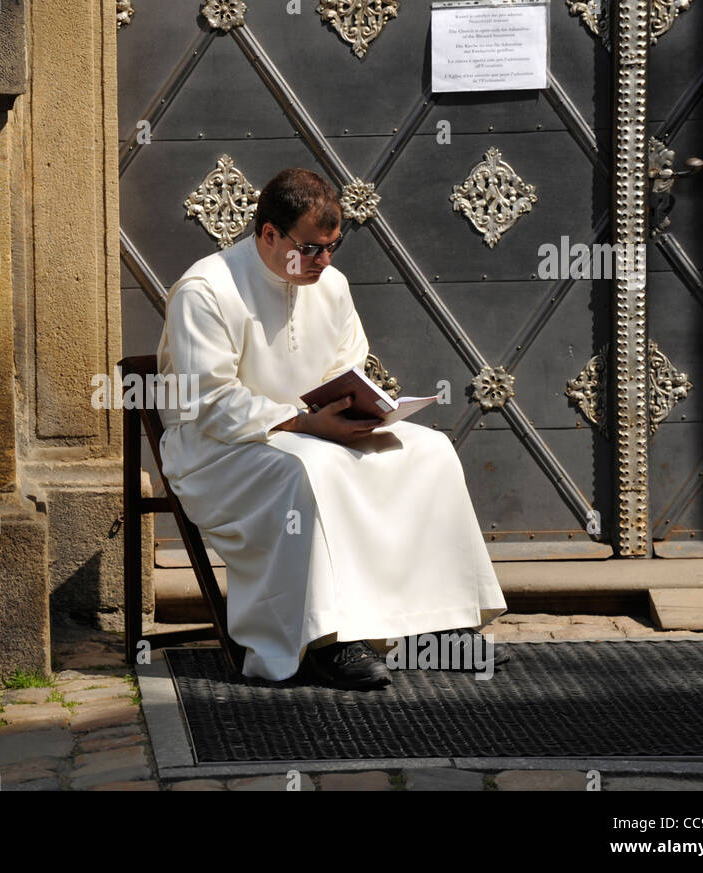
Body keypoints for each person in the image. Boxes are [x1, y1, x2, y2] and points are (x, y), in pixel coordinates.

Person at [154, 168, 509, 690]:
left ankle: (431, 628)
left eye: (333, 247)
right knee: (312, 468)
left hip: (311, 432)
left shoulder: (332, 285)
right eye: (311, 249)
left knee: (428, 451)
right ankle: (326, 641)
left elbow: (346, 366)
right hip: (219, 450)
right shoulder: (206, 290)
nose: (324, 262)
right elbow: (207, 402)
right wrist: (302, 422)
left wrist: (357, 410)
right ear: (269, 234)